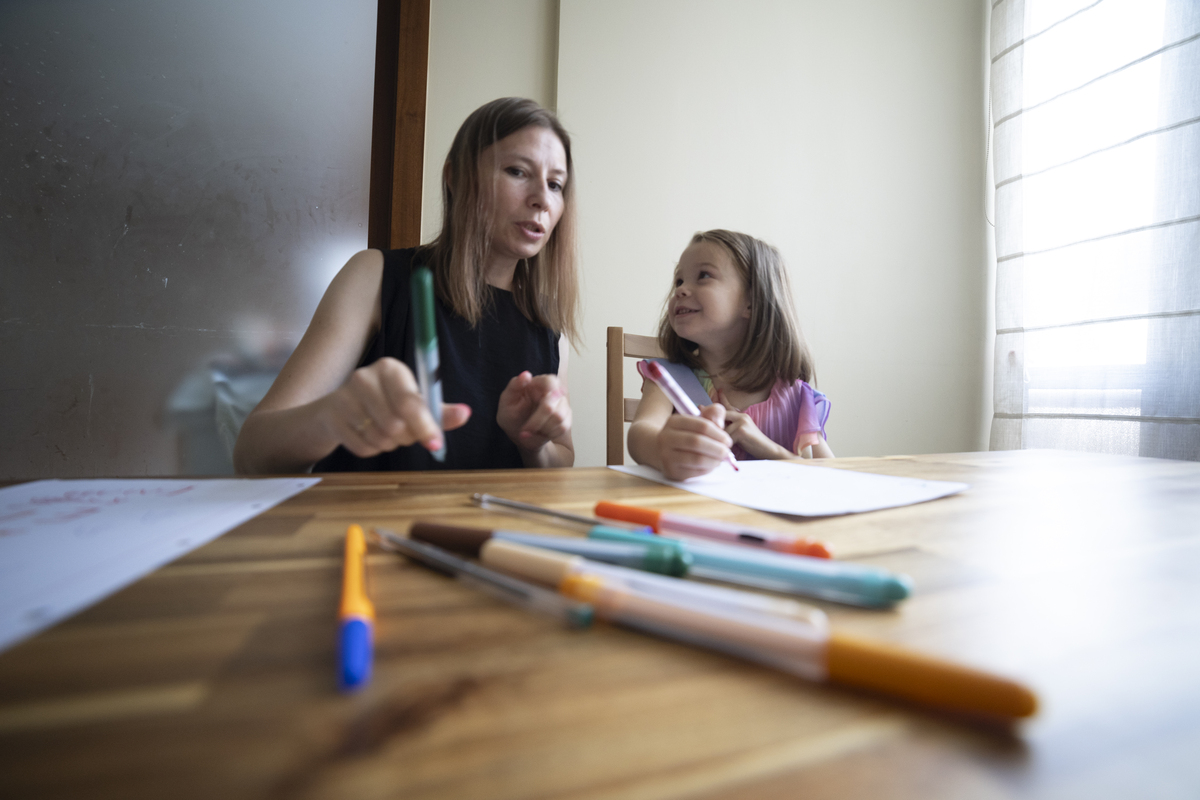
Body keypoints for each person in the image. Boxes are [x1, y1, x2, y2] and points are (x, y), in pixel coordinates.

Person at [234, 98, 579, 474]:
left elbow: (561, 462)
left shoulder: (547, 326)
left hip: (492, 531)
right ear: (456, 177)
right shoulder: (376, 276)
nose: (542, 199)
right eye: (517, 171)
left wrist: (533, 445)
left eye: (556, 184)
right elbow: (253, 452)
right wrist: (333, 416)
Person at [627, 229, 834, 481]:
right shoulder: (667, 378)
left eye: (703, 276)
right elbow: (640, 434)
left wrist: (765, 446)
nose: (680, 290)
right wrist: (662, 450)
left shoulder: (797, 396)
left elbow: (831, 476)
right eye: (679, 281)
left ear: (751, 302)